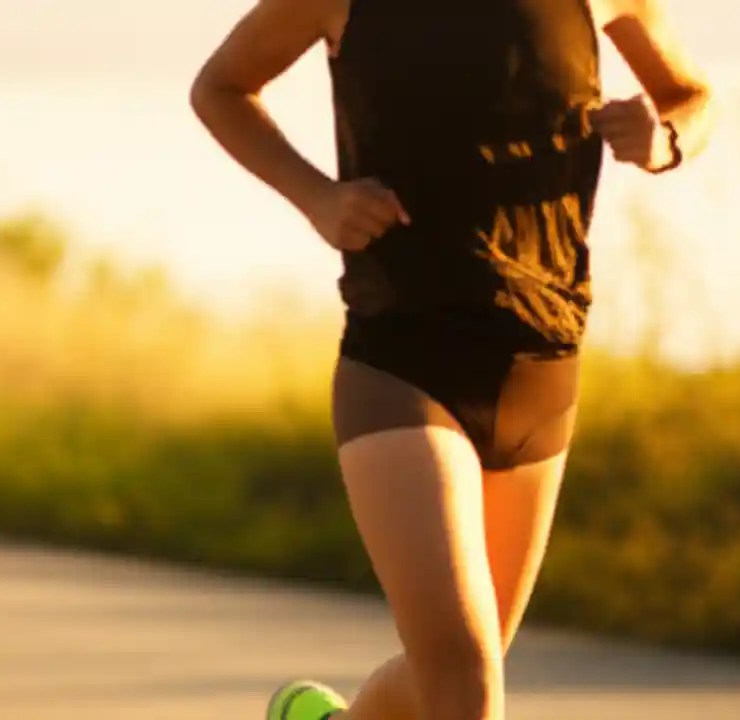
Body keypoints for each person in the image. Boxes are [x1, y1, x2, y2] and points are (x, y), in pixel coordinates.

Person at [189, 0, 713, 718]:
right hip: (403, 361)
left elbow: (693, 96)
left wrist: (666, 139)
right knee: (466, 677)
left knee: (454, 679)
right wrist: (318, 198)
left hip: (543, 364)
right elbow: (220, 88)